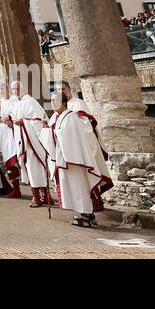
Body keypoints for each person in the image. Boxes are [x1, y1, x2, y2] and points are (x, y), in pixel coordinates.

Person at [43, 93, 113, 227]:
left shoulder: (70, 117)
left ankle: (85, 216)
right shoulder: (60, 117)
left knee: (79, 186)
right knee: (75, 187)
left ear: (63, 103)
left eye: (55, 100)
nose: (52, 103)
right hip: (68, 159)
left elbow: (66, 137)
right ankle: (86, 213)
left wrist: (49, 132)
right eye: (51, 100)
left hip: (74, 160)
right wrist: (47, 129)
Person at [10, 80, 51, 208]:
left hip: (32, 142)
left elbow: (38, 121)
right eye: (13, 89)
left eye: (17, 88)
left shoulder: (30, 102)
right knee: (30, 168)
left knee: (36, 168)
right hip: (23, 141)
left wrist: (22, 122)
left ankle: (38, 197)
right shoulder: (18, 104)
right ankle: (43, 195)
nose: (15, 91)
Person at [0, 84, 22, 198]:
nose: (1, 91)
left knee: (22, 160)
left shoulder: (16, 100)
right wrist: (4, 121)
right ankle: (16, 188)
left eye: (3, 88)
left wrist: (10, 119)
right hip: (3, 135)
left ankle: (38, 190)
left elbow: (18, 113)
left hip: (16, 132)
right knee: (9, 162)